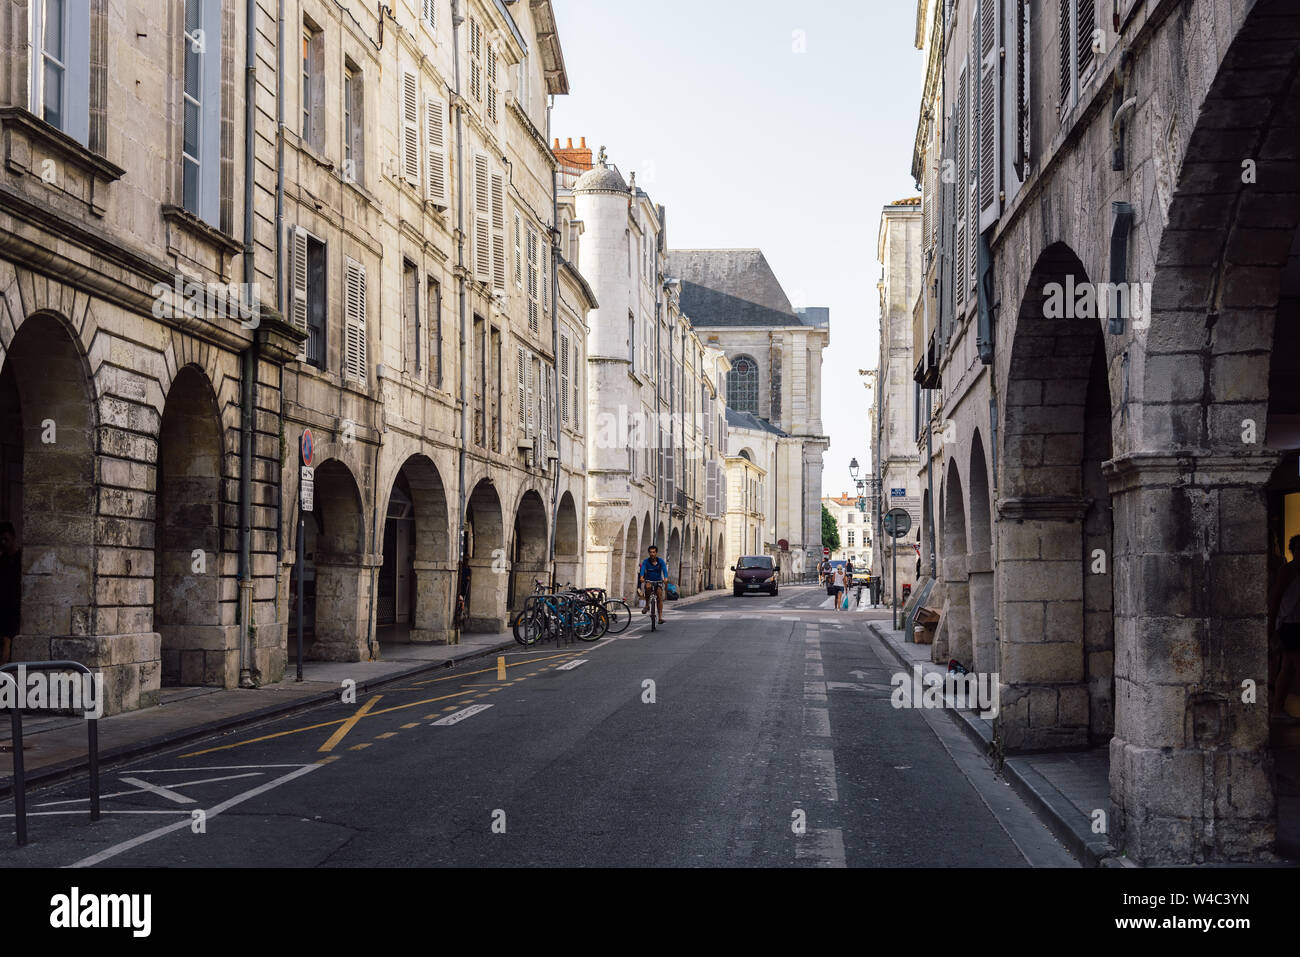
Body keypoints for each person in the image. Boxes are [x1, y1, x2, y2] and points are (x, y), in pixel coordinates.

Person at [1269, 534, 1300, 717]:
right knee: (1292, 664)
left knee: (1288, 667)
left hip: (1295, 623)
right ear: (1293, 551)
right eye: (1298, 548)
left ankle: (1278, 708)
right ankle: (1277, 708)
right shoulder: (1287, 571)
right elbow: (1276, 598)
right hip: (1290, 624)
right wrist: (1273, 626)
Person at [0, 522, 20, 666]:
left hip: (15, 611)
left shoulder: (21, 559)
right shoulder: (2, 561)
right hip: (4, 611)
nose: (3, 543)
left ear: (13, 538)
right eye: (1, 540)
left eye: (6, 539)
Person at [637, 545, 670, 625]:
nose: (652, 554)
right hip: (649, 580)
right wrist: (641, 577)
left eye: (654, 552)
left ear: (656, 553)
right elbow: (642, 569)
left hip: (658, 581)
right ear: (649, 553)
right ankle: (647, 605)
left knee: (659, 595)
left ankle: (660, 618)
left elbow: (664, 570)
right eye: (651, 552)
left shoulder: (661, 561)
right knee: (647, 587)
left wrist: (665, 578)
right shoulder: (646, 561)